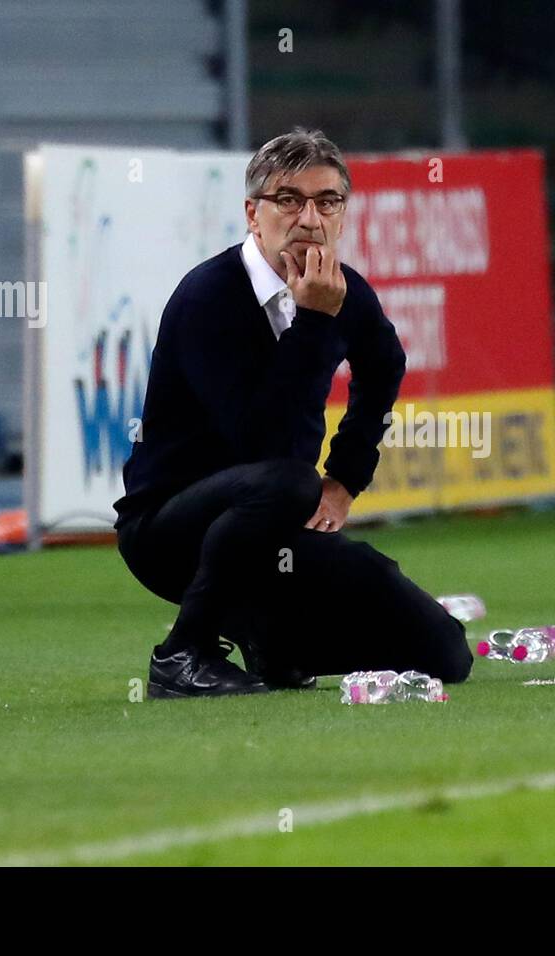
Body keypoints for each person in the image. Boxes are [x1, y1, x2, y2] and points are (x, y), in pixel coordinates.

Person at [113, 128, 472, 698]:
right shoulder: (209, 297)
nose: (309, 218)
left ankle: (274, 647)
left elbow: (384, 369)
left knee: (445, 653)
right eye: (289, 200)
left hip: (279, 525)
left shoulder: (341, 291)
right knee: (284, 481)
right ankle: (183, 653)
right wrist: (313, 323)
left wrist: (346, 480)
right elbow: (260, 440)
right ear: (253, 214)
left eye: (327, 202)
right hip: (171, 531)